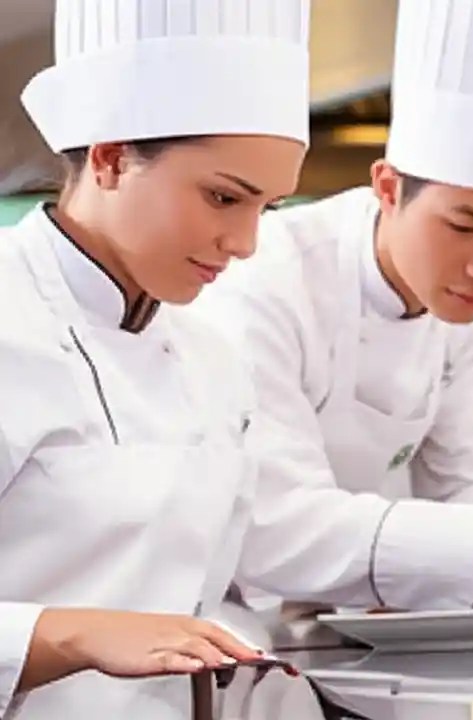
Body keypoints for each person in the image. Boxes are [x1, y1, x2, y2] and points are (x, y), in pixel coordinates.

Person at [194, 0, 473, 620]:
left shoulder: (469, 308)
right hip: (232, 636)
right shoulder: (263, 283)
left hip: (368, 622)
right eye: (464, 226)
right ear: (387, 188)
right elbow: (272, 525)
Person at [0, 0, 311, 716]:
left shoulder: (213, 360)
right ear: (109, 157)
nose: (245, 242)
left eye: (268, 207)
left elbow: (212, 602)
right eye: (224, 197)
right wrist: (71, 634)